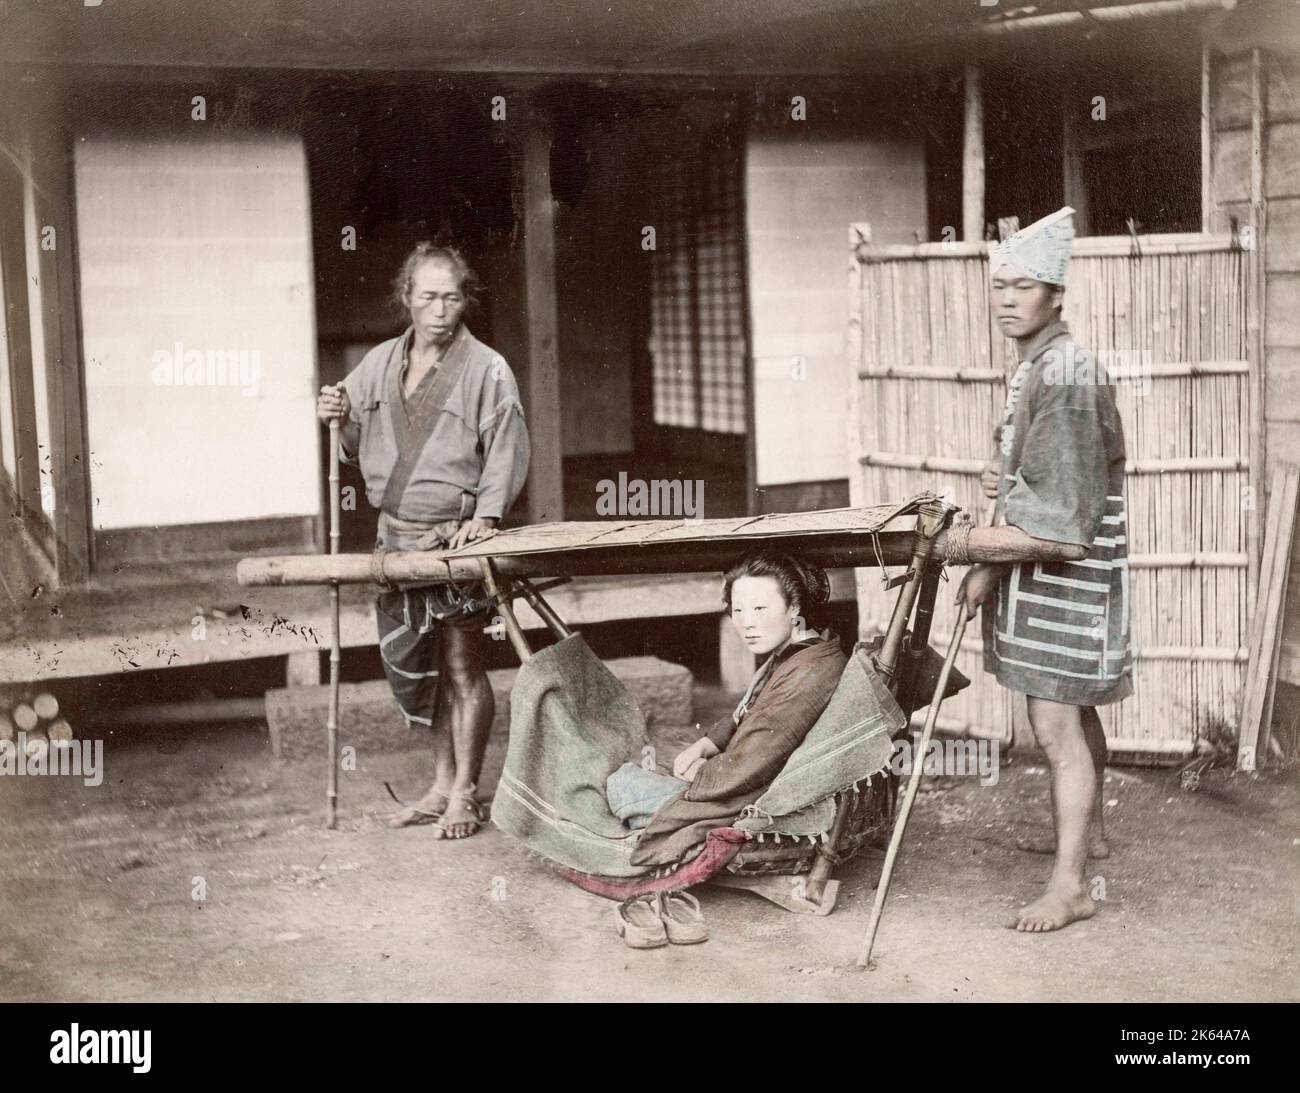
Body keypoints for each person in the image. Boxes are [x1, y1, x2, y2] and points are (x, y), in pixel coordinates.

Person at [944, 207, 1132, 932]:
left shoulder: (1069, 375)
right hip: (1046, 565)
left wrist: (983, 562)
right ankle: (1090, 836)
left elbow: (1065, 514)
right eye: (999, 286)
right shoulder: (1039, 364)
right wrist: (1008, 474)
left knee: (1054, 721)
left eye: (1024, 287)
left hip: (1067, 572)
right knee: (1072, 711)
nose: (1007, 300)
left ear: (1057, 294)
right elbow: (1040, 472)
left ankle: (1070, 883)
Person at [315, 243, 530, 839]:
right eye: (428, 296)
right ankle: (439, 785)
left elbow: (507, 447)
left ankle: (466, 792)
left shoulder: (487, 369)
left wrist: (486, 520)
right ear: (406, 297)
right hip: (396, 543)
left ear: (466, 302)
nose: (440, 310)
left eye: (452, 297)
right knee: (426, 669)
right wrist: (337, 412)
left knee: (462, 666)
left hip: (454, 543)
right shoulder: (380, 362)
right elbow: (353, 442)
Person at [607, 550, 848, 868]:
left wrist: (698, 776)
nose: (747, 623)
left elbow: (751, 762)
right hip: (748, 772)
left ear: (795, 607)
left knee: (622, 780)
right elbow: (753, 714)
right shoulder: (803, 653)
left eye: (760, 608)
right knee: (652, 750)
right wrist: (707, 743)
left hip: (755, 798)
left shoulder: (811, 671)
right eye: (738, 610)